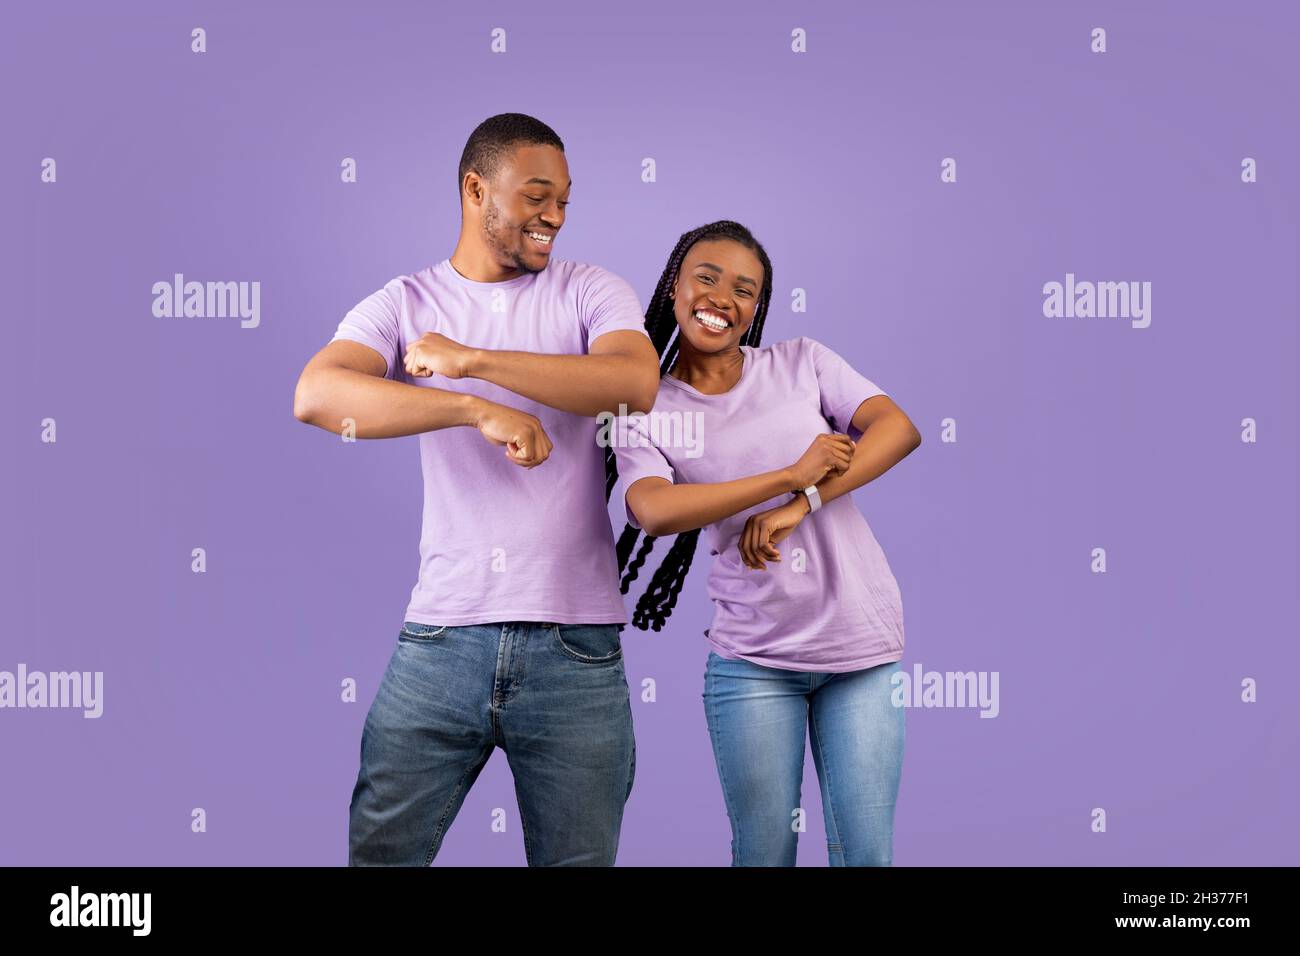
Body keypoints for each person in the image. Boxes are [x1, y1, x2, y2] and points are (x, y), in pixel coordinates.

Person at [293, 113, 661, 866]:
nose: (554, 216)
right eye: (536, 195)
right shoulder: (404, 301)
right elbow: (318, 393)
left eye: (563, 199)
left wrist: (474, 361)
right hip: (441, 639)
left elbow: (633, 382)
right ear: (475, 189)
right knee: (379, 856)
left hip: (577, 649)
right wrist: (471, 408)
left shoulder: (591, 291)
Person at [608, 220, 922, 866]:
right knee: (764, 854)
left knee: (865, 856)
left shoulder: (801, 362)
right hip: (753, 662)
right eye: (706, 277)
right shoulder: (647, 409)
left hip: (858, 651)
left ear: (756, 309)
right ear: (674, 287)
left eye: (744, 290)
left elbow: (897, 428)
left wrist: (799, 505)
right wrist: (786, 476)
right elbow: (653, 510)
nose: (723, 297)